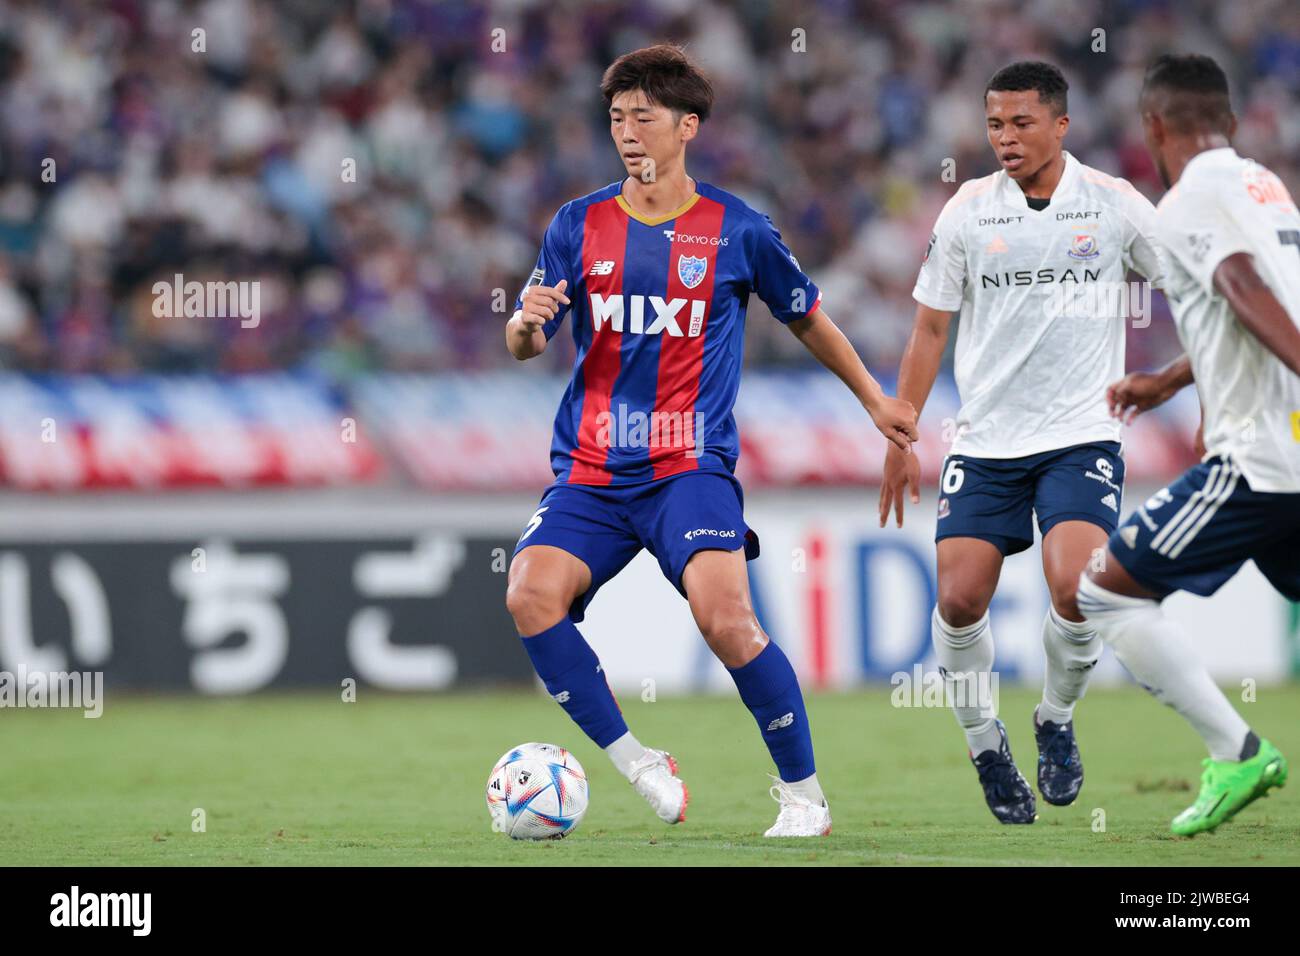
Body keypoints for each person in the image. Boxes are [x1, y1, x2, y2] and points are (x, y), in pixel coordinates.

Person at [504, 44, 917, 837]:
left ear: (687, 126)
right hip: (590, 469)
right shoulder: (576, 224)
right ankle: (638, 762)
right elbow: (524, 334)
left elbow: (804, 315)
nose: (627, 131)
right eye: (617, 117)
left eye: (644, 117)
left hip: (689, 464)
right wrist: (526, 326)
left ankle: (804, 798)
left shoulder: (737, 229)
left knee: (726, 619)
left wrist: (872, 397)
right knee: (528, 593)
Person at [880, 61, 1163, 823]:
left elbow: (1191, 283)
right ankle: (984, 744)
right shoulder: (968, 210)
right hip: (987, 441)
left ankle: (1055, 720)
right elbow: (931, 327)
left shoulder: (1112, 205)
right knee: (959, 598)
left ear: (1061, 125)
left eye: (1021, 123)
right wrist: (902, 429)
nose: (1004, 138)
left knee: (1077, 590)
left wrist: (1186, 377)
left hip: (1081, 435)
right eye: (995, 124)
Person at [1078, 52, 1297, 835]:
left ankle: (1235, 749)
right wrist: (1170, 381)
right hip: (1291, 451)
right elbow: (1243, 300)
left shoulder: (1183, 203)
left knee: (1103, 589)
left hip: (1257, 462)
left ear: (1154, 127)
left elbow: (1240, 286)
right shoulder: (1266, 186)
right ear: (1231, 124)